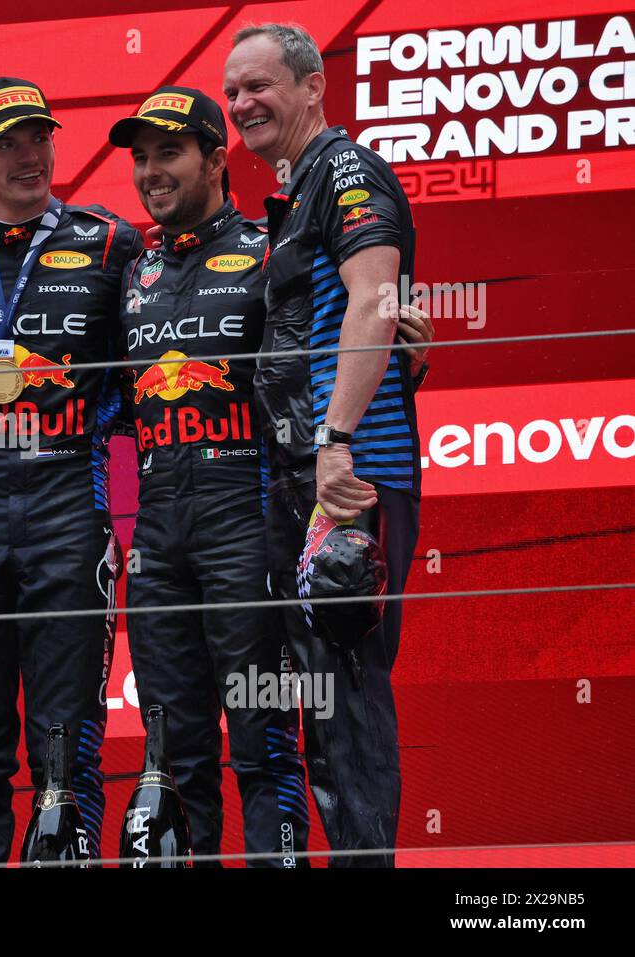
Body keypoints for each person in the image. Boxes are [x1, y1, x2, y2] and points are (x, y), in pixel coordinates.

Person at [0, 77, 143, 863]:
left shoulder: (113, 242)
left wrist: (76, 421)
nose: (28, 155)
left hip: (65, 496)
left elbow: (148, 373)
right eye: (6, 142)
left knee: (66, 730)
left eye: (39, 138)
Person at [224, 24, 424, 866]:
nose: (242, 105)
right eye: (233, 93)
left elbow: (377, 302)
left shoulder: (347, 171)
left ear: (314, 90)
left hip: (348, 474)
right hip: (310, 472)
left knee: (344, 694)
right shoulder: (301, 189)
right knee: (321, 694)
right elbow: (373, 324)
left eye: (259, 86)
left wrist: (336, 443)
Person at [109, 86, 310, 867]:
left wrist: (404, 352)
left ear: (218, 159)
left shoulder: (272, 250)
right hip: (158, 532)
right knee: (176, 750)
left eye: (170, 152)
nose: (152, 172)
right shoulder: (131, 270)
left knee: (263, 742)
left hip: (246, 523)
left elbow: (331, 365)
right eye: (141, 157)